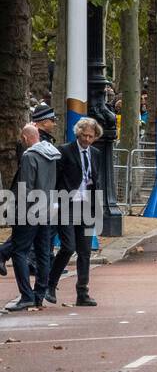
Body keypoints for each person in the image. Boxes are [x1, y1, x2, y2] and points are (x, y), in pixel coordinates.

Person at [49, 116, 102, 307]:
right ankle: (51, 284)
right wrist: (55, 203)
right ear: (78, 133)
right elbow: (55, 178)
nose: (87, 139)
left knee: (85, 251)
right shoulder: (65, 151)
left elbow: (97, 180)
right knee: (68, 247)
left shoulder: (95, 153)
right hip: (67, 205)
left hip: (87, 207)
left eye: (91, 136)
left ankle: (83, 292)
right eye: (84, 135)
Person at [5, 123, 57, 312]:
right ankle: (39, 295)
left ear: (26, 138)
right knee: (44, 253)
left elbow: (25, 187)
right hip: (46, 208)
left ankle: (26, 295)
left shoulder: (29, 156)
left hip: (30, 210)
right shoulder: (52, 154)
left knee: (20, 251)